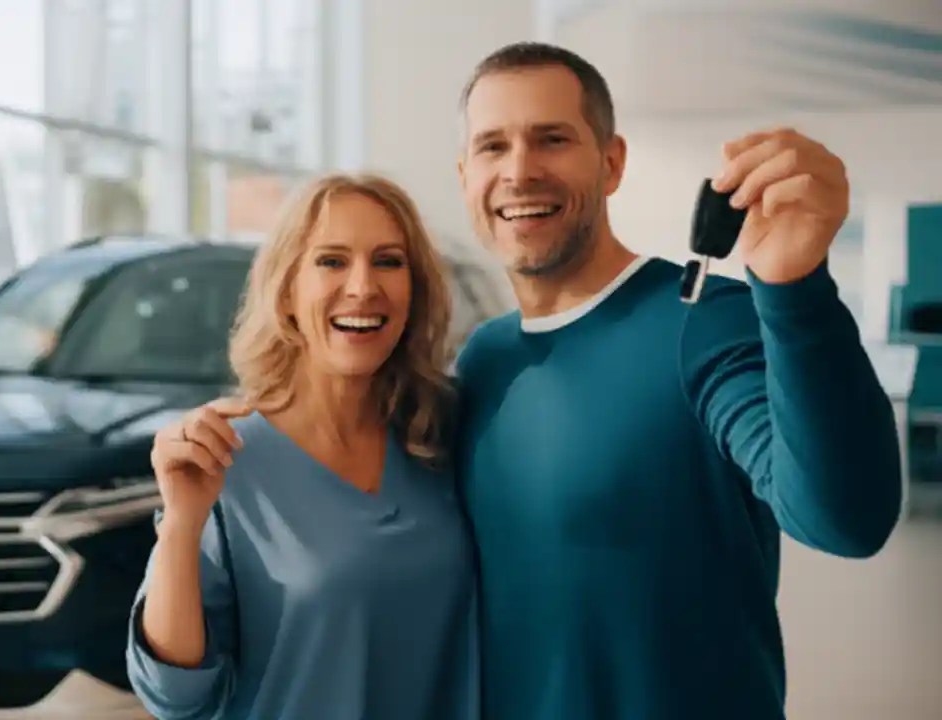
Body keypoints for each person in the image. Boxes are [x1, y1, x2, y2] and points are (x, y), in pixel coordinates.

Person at [452, 43, 901, 719]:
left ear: (611, 163)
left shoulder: (705, 323)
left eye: (552, 139)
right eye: (493, 146)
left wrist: (795, 289)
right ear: (466, 175)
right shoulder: (483, 359)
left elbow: (845, 520)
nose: (519, 170)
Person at [125, 173, 478, 720]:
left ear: (415, 290)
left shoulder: (443, 437)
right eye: (331, 261)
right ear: (287, 290)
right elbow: (175, 695)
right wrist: (180, 522)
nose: (363, 286)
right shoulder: (225, 457)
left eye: (388, 261)